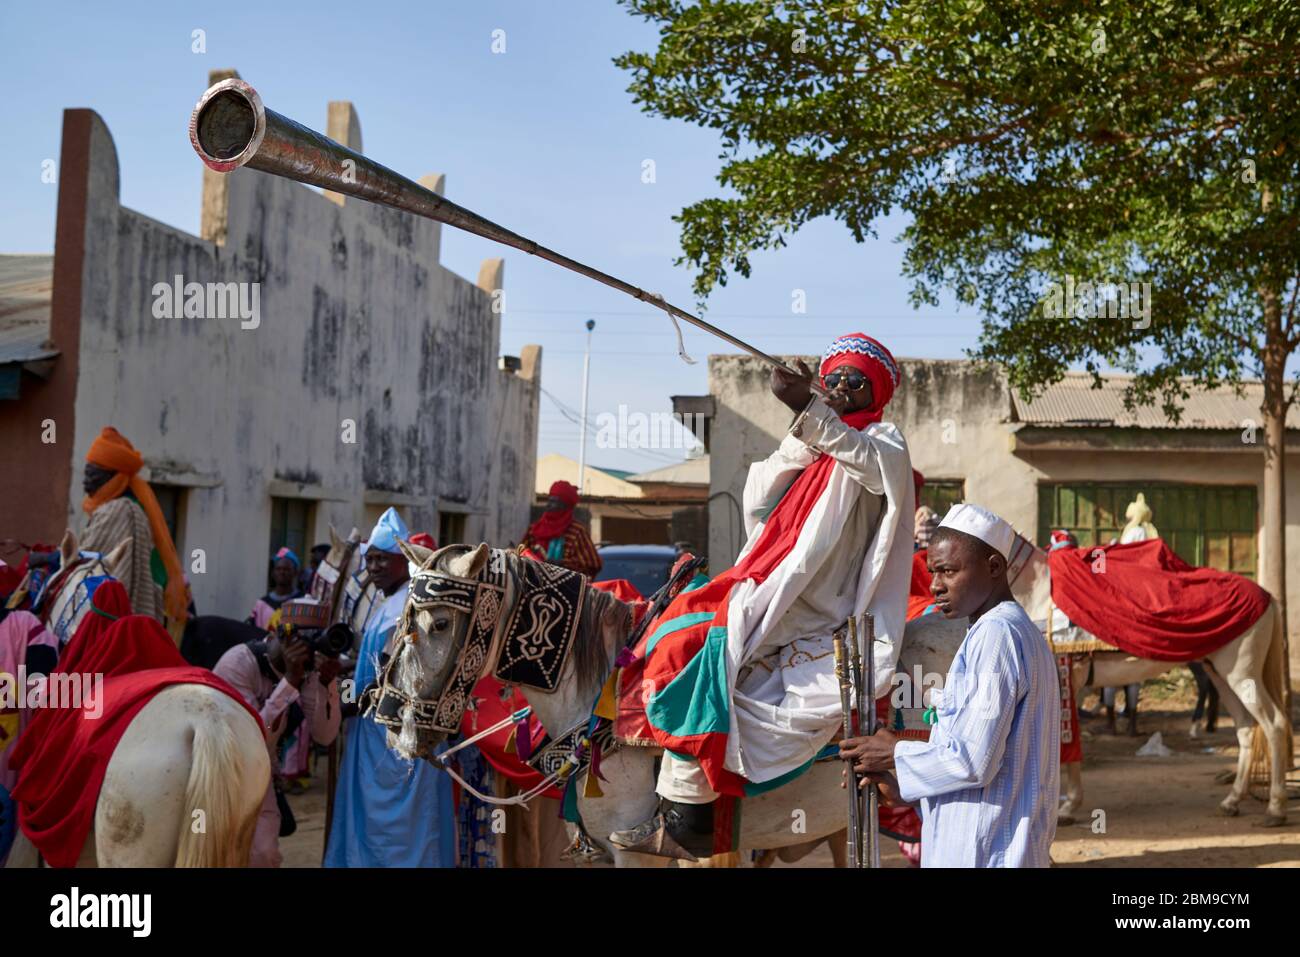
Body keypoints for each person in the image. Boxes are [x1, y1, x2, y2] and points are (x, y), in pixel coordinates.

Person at [611, 333, 915, 860]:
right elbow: (759, 494)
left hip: (820, 609)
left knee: (693, 649)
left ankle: (689, 821)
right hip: (770, 588)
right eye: (834, 377)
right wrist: (807, 421)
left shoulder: (884, 442)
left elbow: (863, 458)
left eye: (855, 381)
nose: (842, 387)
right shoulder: (821, 441)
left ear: (878, 392)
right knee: (663, 628)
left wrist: (812, 409)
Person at [840, 503, 1060, 867]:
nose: (934, 585)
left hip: (989, 854)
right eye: (932, 572)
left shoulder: (998, 634)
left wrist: (895, 751)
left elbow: (973, 760)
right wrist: (904, 789)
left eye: (948, 571)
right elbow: (987, 763)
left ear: (993, 567)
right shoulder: (999, 631)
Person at [324, 508, 455, 867]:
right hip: (378, 733)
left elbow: (383, 681)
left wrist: (338, 697)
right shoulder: (389, 603)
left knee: (400, 831)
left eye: (384, 559)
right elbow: (378, 664)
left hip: (392, 734)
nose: (376, 567)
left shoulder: (407, 607)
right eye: (371, 560)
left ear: (404, 560)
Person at [212, 598, 341, 867]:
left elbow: (324, 736)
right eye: (297, 638)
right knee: (218, 853)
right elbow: (251, 738)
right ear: (274, 635)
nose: (303, 648)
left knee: (264, 855)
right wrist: (289, 682)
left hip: (259, 774)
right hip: (219, 771)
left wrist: (325, 685)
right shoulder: (238, 663)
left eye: (312, 639)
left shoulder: (307, 673)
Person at [80, 427, 187, 635]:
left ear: (112, 477)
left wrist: (53, 560)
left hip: (121, 615)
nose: (85, 480)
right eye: (85, 472)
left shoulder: (119, 510)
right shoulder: (120, 507)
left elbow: (87, 560)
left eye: (92, 474)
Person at [517, 481, 602, 578]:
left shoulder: (577, 531)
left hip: (565, 588)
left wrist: (561, 563)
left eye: (554, 502)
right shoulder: (534, 530)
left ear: (565, 506)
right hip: (534, 586)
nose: (548, 505)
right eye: (549, 500)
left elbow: (594, 564)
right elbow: (520, 555)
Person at [248, 548, 305, 630]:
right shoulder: (261, 605)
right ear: (273, 573)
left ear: (295, 572)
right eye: (278, 569)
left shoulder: (303, 602)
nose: (282, 572)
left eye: (286, 569)